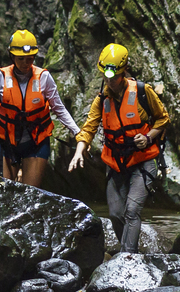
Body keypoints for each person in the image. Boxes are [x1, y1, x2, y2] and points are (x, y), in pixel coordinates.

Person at [68, 43, 170, 254]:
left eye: (113, 76)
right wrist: (79, 151)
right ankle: (127, 251)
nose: (109, 81)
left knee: (132, 211)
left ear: (123, 72)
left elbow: (163, 118)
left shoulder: (143, 92)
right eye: (106, 76)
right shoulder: (101, 100)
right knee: (115, 213)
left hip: (143, 161)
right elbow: (88, 129)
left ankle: (127, 257)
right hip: (115, 165)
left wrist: (149, 137)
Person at [0, 29, 80, 187]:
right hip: (6, 140)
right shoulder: (1, 76)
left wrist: (77, 132)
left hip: (36, 142)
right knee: (3, 191)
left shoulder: (44, 77)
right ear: (12, 56)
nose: (26, 63)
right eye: (21, 59)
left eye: (30, 58)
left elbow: (58, 108)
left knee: (30, 193)